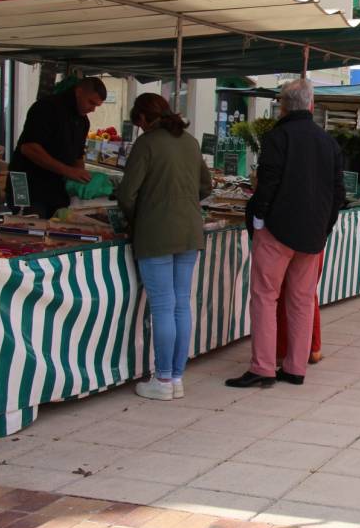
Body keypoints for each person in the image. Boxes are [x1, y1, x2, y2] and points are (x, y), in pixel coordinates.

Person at [227, 79, 345, 388]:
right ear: (311, 104)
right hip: (313, 234)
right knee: (302, 300)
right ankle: (295, 367)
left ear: (282, 105)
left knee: (265, 298)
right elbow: (338, 193)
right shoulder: (328, 142)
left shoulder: (277, 137)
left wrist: (259, 217)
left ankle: (263, 367)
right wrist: (326, 226)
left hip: (277, 230)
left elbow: (268, 183)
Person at [116, 93, 212, 401]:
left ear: (144, 118)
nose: (139, 128)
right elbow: (206, 186)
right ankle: (177, 379)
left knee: (162, 305)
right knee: (181, 303)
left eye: (138, 122)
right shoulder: (189, 141)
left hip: (156, 231)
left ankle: (163, 379)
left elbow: (127, 194)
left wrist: (139, 216)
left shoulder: (147, 144)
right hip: (190, 230)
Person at [9, 77, 106, 218]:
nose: (93, 109)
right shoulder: (46, 108)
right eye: (91, 102)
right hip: (28, 188)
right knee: (33, 232)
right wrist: (69, 171)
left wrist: (82, 179)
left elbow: (78, 156)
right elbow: (29, 148)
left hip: (57, 191)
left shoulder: (83, 121)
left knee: (59, 231)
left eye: (97, 106)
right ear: (78, 92)